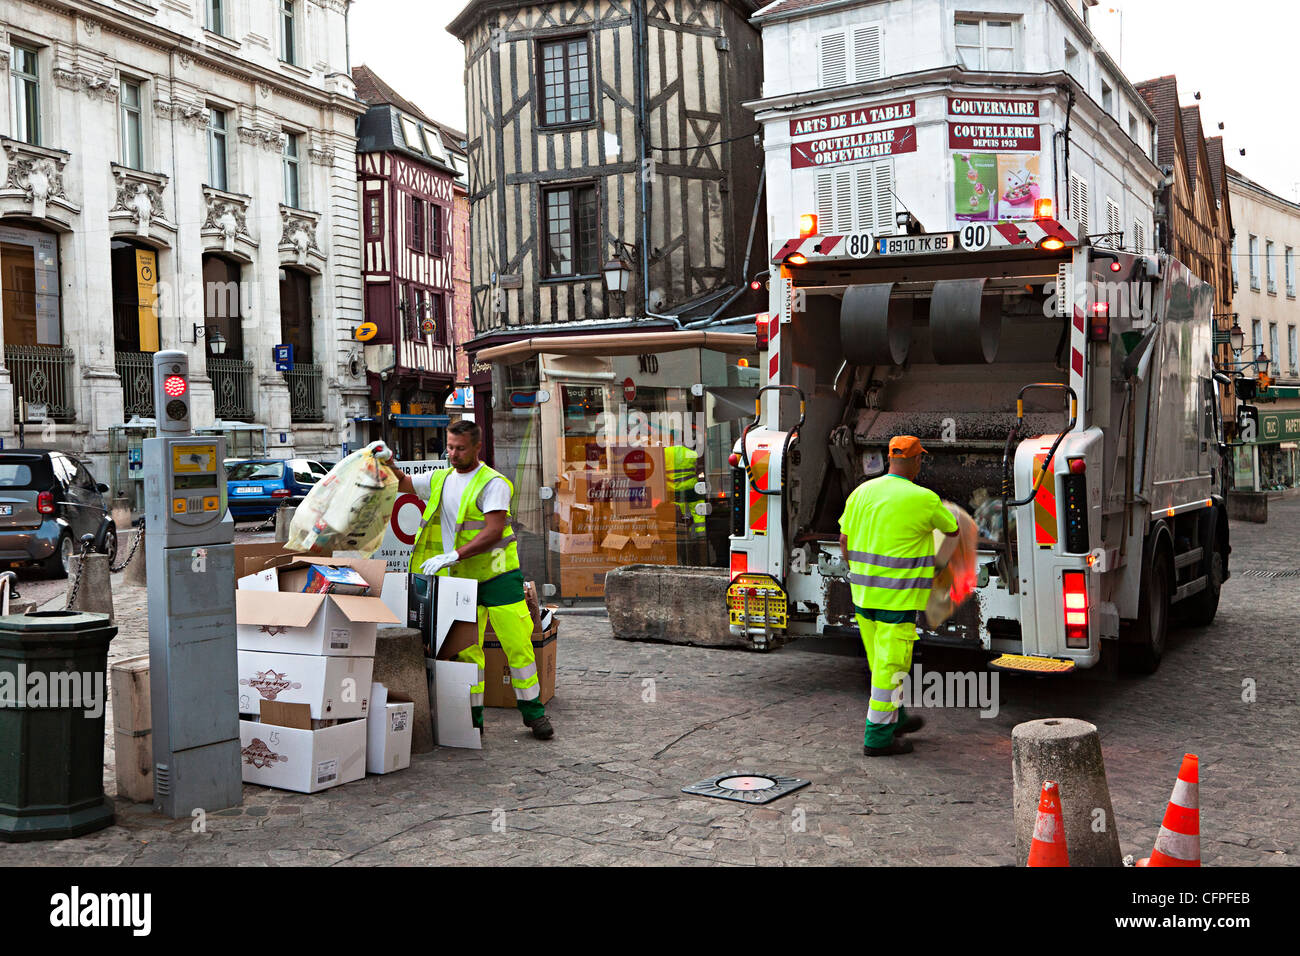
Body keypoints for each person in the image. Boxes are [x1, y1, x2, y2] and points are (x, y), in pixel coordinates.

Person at [387, 421, 553, 740]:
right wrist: (389, 462)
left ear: (477, 447)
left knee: (517, 646)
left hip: (498, 577)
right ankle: (473, 720)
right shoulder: (440, 478)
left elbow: (493, 531)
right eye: (449, 447)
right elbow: (405, 484)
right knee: (467, 652)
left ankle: (534, 714)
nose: (453, 454)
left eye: (460, 448)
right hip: (460, 580)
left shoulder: (493, 483)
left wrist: (454, 555)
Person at [838, 436, 959, 756]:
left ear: (889, 458)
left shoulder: (861, 492)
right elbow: (953, 530)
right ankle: (877, 737)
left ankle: (896, 718)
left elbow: (844, 541)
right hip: (898, 600)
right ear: (917, 461)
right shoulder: (924, 498)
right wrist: (937, 566)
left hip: (863, 598)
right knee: (891, 666)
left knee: (881, 663)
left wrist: (861, 573)